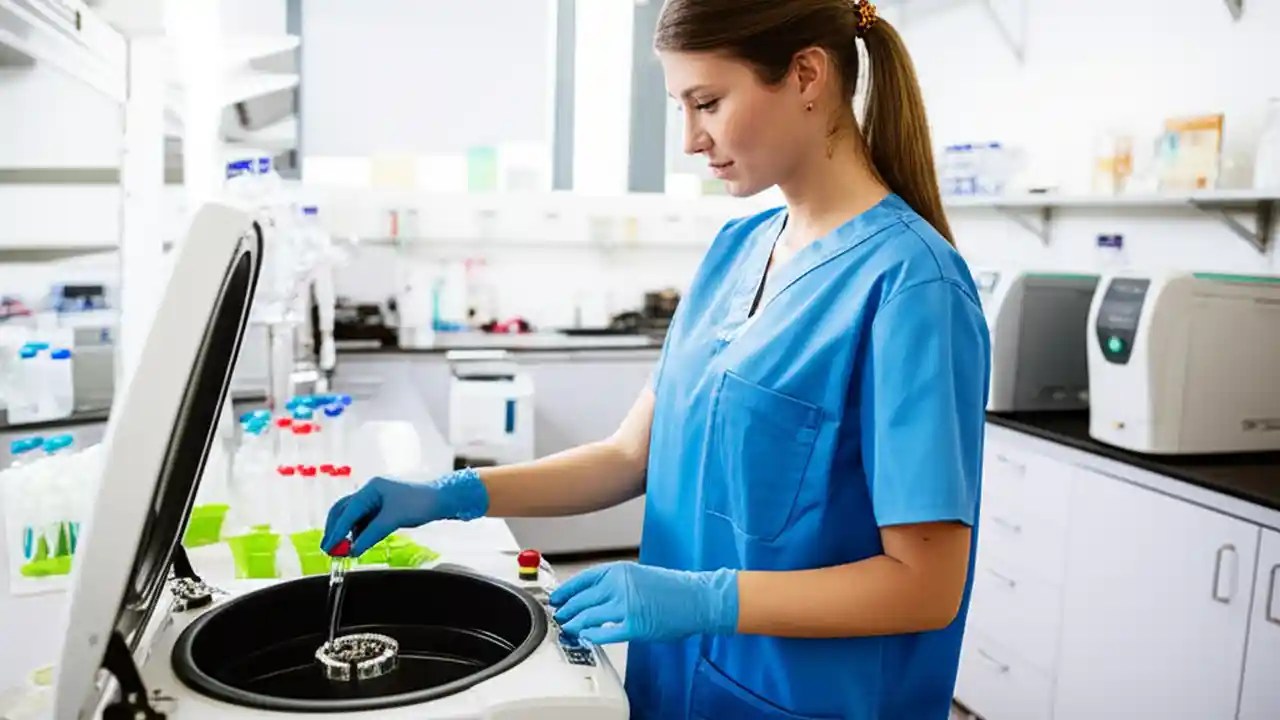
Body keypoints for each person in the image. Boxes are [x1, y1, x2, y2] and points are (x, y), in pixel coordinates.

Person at [321, 0, 991, 716]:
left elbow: (924, 585)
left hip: (809, 698)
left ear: (806, 75)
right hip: (676, 685)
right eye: (680, 105)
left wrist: (704, 597)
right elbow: (629, 456)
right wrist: (453, 494)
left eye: (707, 102)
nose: (689, 141)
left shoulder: (913, 287)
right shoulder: (736, 251)